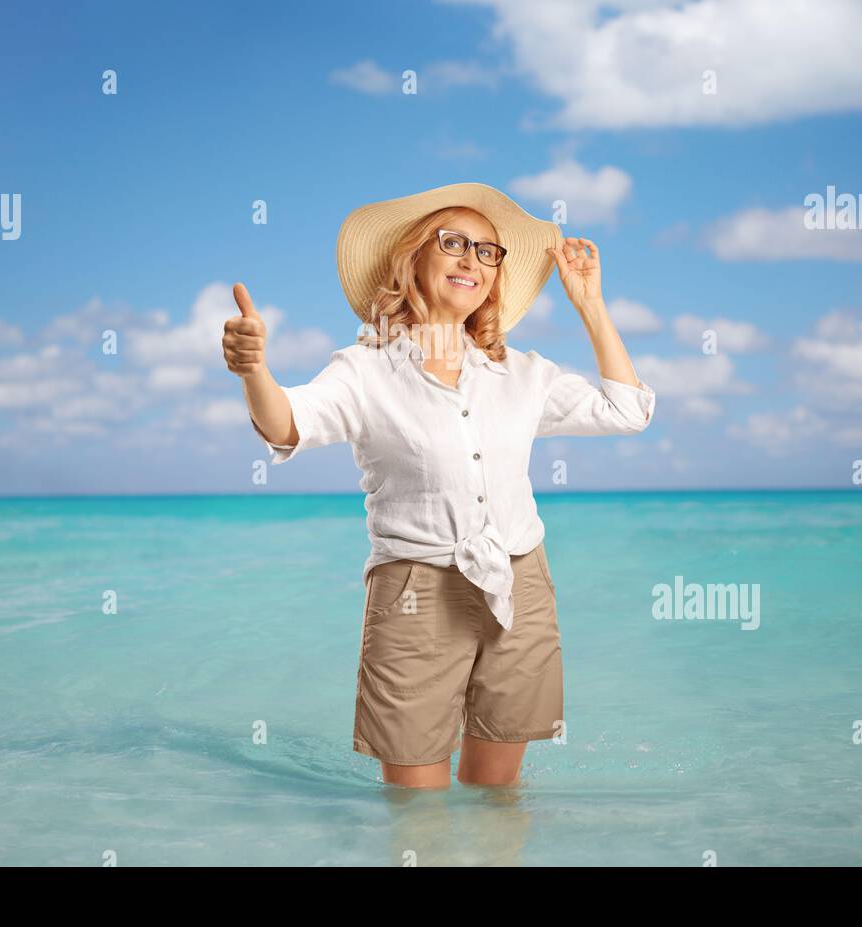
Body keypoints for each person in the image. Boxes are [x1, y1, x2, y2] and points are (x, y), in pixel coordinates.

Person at [222, 182, 656, 789]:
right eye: (452, 243)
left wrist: (590, 304)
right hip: (415, 589)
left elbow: (627, 410)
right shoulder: (365, 369)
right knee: (418, 810)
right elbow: (286, 424)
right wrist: (254, 371)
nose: (470, 260)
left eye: (486, 251)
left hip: (519, 582)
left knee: (497, 797)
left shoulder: (521, 373)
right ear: (413, 259)